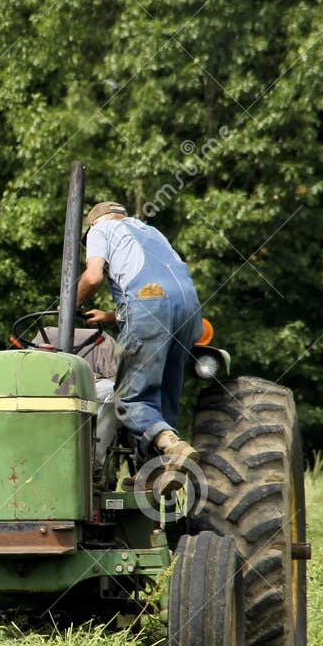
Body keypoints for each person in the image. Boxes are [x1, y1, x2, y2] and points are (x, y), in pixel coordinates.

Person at [76, 202, 200, 471]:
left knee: (130, 398)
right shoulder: (152, 233)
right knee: (163, 399)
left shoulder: (101, 230)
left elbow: (94, 277)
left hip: (149, 306)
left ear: (94, 223)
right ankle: (158, 472)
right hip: (190, 312)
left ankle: (169, 446)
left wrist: (70, 303)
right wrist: (110, 317)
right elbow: (162, 293)